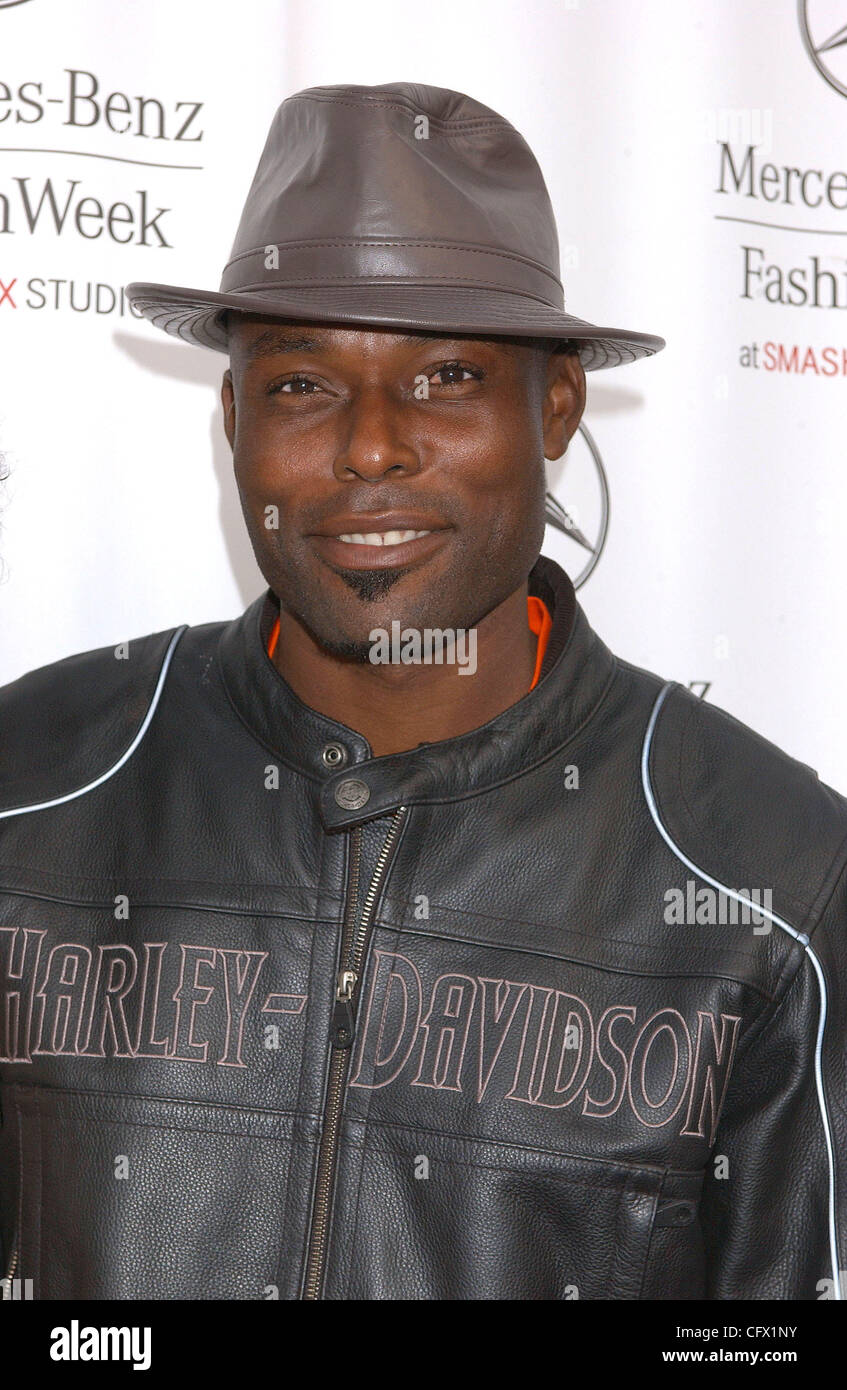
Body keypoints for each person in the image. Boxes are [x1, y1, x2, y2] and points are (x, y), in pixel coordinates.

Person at [0, 81, 844, 1302]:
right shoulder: (32, 789)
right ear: (231, 418)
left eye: (447, 375)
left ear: (554, 409)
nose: (372, 445)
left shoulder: (763, 870)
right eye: (302, 383)